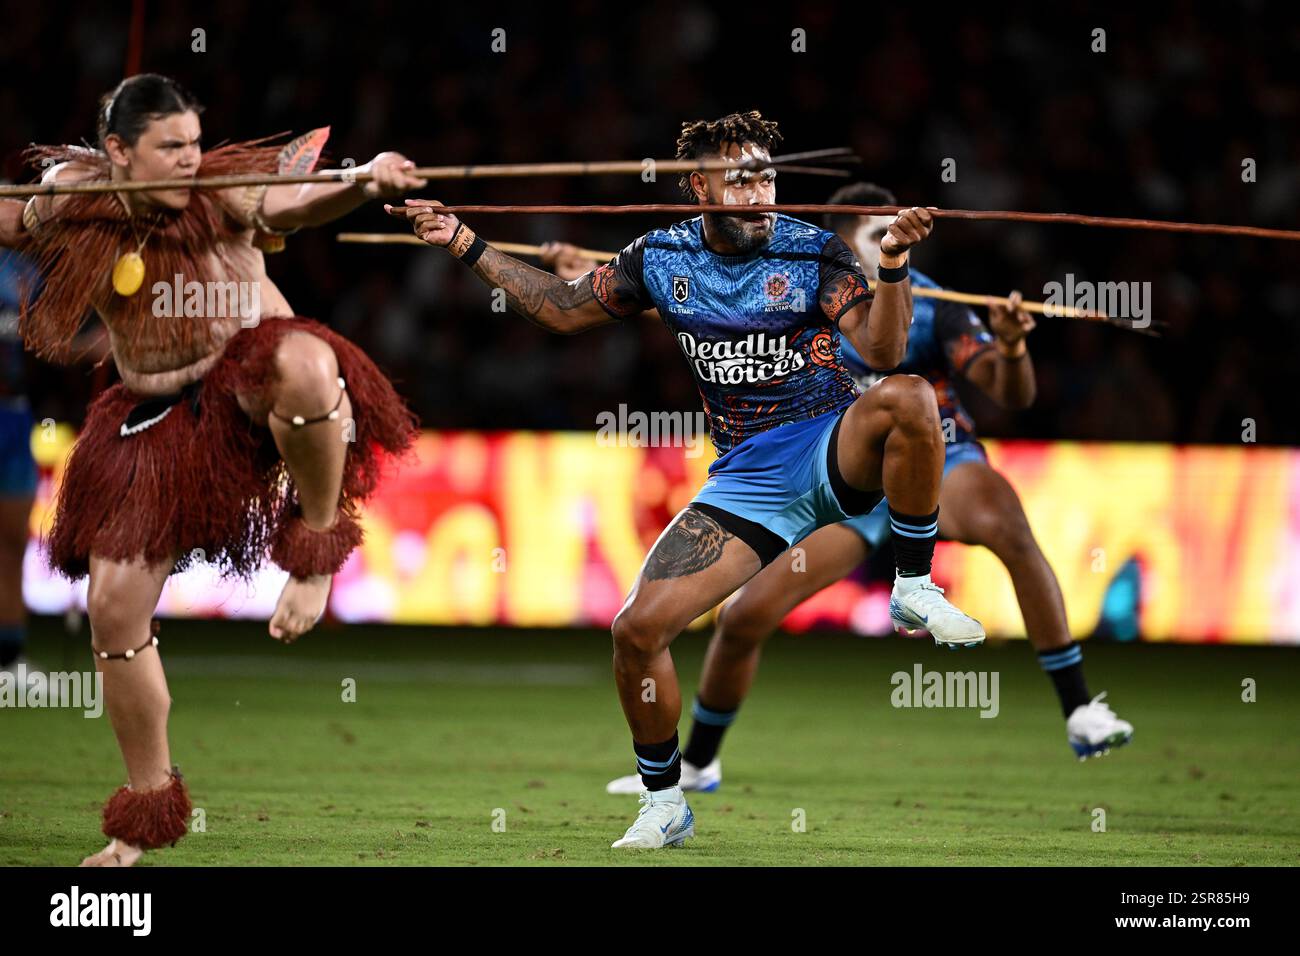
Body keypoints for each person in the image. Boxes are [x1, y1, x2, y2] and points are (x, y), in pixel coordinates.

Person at [388, 111, 983, 850]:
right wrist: (463, 242)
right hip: (745, 479)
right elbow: (565, 310)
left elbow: (884, 349)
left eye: (768, 174)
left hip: (832, 442)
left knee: (911, 398)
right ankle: (666, 800)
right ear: (699, 185)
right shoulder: (657, 256)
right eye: (742, 177)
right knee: (636, 631)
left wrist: (891, 260)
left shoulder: (815, 250)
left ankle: (914, 584)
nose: (761, 189)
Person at [2, 73, 422, 866]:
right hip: (157, 420)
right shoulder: (78, 200)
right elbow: (17, 219)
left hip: (250, 396)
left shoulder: (226, 188)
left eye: (196, 143)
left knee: (302, 358)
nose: (191, 160)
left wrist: (362, 183)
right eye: (171, 148)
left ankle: (316, 543)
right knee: (115, 611)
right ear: (120, 153)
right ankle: (142, 820)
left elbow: (296, 203)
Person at [601, 183, 1135, 797]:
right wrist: (583, 273)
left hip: (931, 456)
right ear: (841, 238)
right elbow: (680, 301)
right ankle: (697, 763)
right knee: (745, 616)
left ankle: (1078, 710)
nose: (887, 240)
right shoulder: (798, 279)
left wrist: (1012, 347)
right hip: (835, 467)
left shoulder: (929, 298)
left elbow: (1012, 392)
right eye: (872, 232)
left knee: (1010, 530)